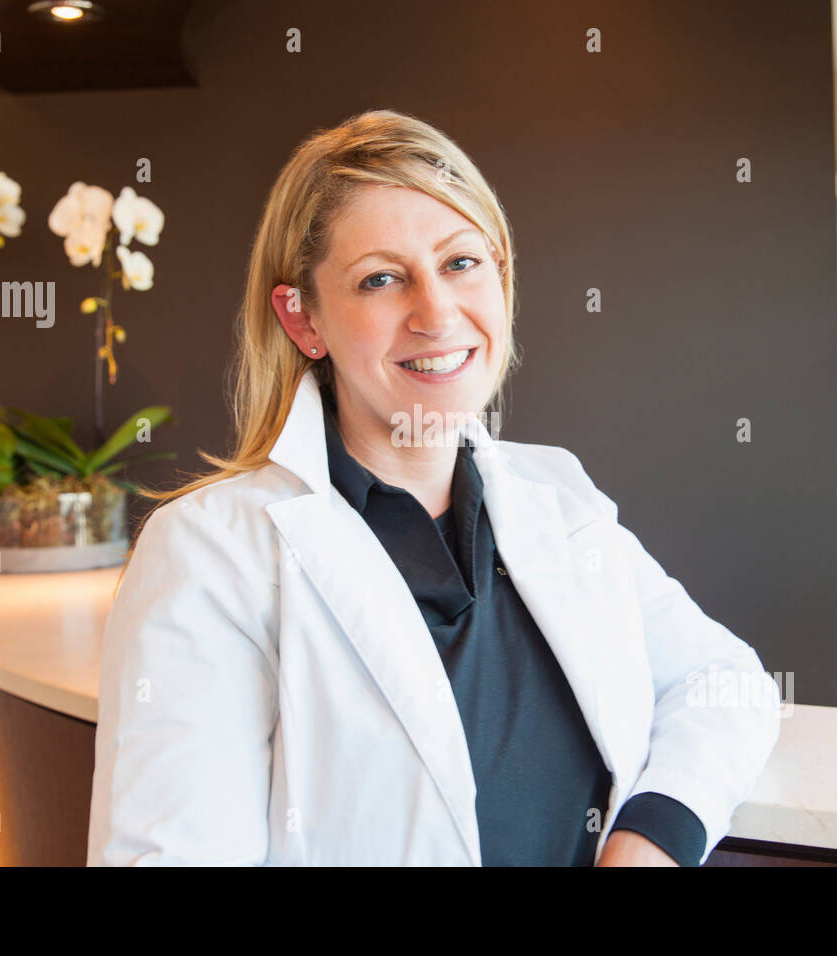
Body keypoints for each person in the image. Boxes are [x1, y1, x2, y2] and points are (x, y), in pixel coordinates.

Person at [87, 109, 781, 866]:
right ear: (303, 320)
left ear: (501, 274)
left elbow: (724, 682)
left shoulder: (558, 497)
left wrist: (651, 840)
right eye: (381, 279)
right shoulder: (212, 554)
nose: (437, 313)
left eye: (460, 263)